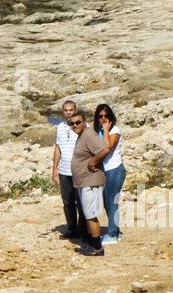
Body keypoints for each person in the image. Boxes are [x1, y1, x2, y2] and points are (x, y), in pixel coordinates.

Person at [69, 111, 105, 255]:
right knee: (88, 214)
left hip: (90, 181)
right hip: (83, 181)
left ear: (84, 122)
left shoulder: (89, 134)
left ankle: (97, 248)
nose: (75, 125)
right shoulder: (81, 135)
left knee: (91, 214)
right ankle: (92, 243)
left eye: (78, 122)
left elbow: (104, 149)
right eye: (71, 123)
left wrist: (93, 161)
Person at [50, 98, 85, 240]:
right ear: (63, 112)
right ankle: (72, 229)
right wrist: (54, 168)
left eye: (71, 110)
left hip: (79, 170)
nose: (69, 113)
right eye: (66, 110)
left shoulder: (82, 126)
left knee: (82, 201)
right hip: (64, 170)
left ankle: (84, 230)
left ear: (76, 110)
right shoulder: (60, 127)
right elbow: (58, 148)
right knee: (68, 202)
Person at [92, 103, 126, 245]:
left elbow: (108, 147)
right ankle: (116, 232)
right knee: (108, 202)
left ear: (111, 117)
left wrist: (106, 129)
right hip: (106, 170)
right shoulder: (99, 130)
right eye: (101, 117)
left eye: (106, 116)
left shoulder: (114, 130)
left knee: (111, 202)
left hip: (115, 169)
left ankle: (112, 234)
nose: (104, 119)